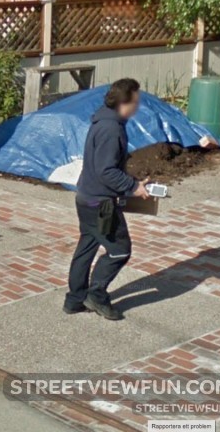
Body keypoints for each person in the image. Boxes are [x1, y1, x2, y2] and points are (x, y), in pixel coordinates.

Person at [64, 78, 150, 321]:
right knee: (120, 250)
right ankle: (97, 295)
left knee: (87, 246)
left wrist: (131, 182)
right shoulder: (111, 130)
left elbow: (105, 166)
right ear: (125, 102)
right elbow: (106, 171)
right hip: (100, 203)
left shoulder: (103, 120)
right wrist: (133, 187)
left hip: (86, 196)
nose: (138, 106)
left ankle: (74, 300)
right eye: (136, 101)